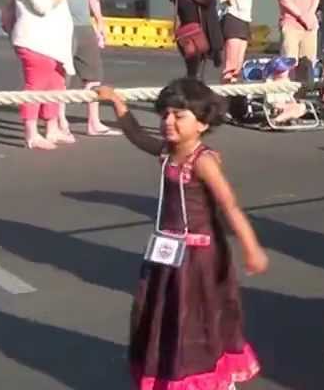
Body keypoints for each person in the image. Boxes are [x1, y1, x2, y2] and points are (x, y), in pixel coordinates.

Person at [97, 79, 267, 390]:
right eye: (165, 114)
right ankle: (172, 371)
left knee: (198, 316)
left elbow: (229, 206)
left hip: (198, 256)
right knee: (167, 313)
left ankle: (214, 378)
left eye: (179, 116)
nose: (168, 121)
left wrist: (251, 247)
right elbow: (137, 135)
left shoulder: (203, 161)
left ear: (202, 123)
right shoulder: (167, 152)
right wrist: (117, 103)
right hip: (167, 253)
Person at [46, 0, 117, 136]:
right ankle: (60, 120)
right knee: (62, 75)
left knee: (93, 74)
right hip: (60, 23)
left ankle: (94, 123)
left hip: (84, 23)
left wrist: (100, 21)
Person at [10, 0, 77, 150]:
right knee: (36, 86)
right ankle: (31, 133)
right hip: (34, 42)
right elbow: (42, 7)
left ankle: (52, 128)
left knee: (55, 83)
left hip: (51, 45)